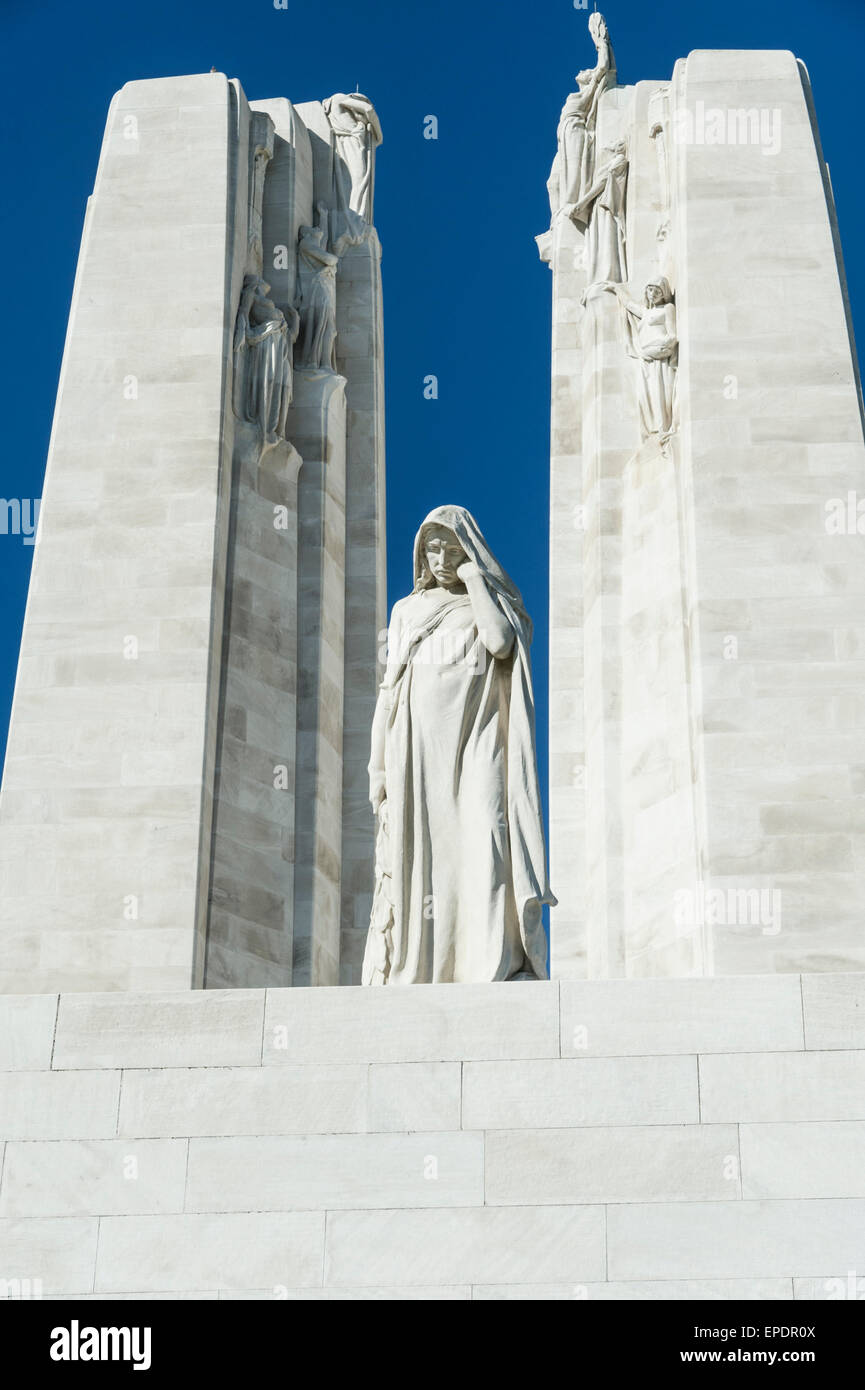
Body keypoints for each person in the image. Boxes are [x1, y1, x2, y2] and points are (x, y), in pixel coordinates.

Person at [362, 505, 555, 985]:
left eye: (452, 548)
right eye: (433, 548)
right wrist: (377, 768)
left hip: (476, 742)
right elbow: (389, 692)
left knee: (486, 831)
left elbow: (502, 644)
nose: (442, 558)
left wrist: (475, 580)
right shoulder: (406, 610)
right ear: (421, 554)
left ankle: (492, 962)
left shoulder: (485, 602)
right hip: (416, 751)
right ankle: (424, 966)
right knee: (422, 856)